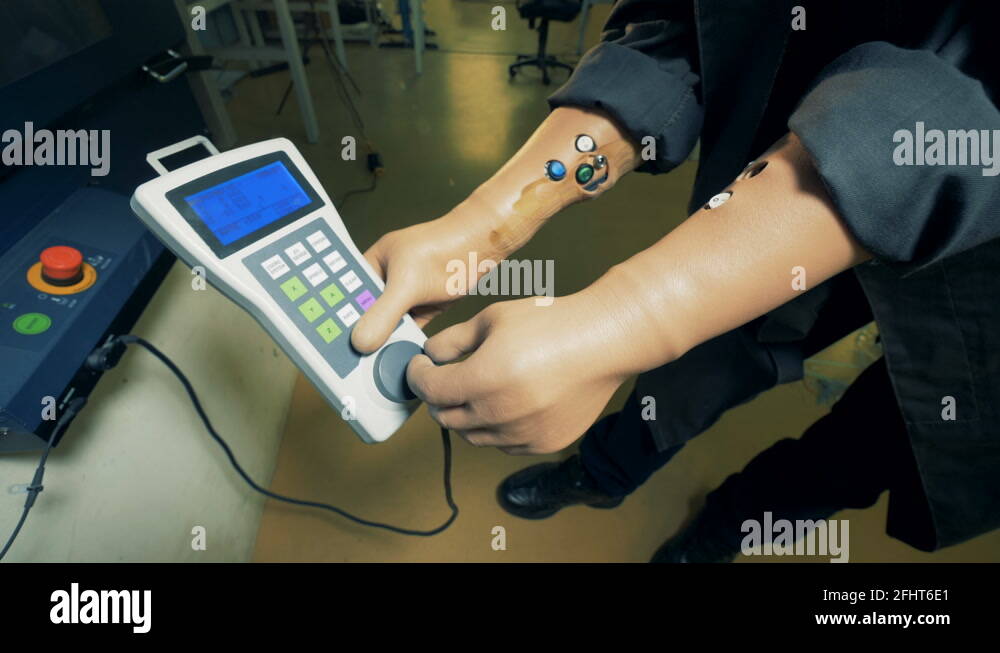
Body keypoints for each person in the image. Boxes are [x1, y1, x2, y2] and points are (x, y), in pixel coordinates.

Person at [351, 0, 1000, 561]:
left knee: (871, 451)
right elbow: (683, 26)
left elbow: (971, 105)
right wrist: (483, 224)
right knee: (705, 358)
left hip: (979, 283)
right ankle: (604, 472)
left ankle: (731, 527)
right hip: (785, 209)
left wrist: (632, 314)